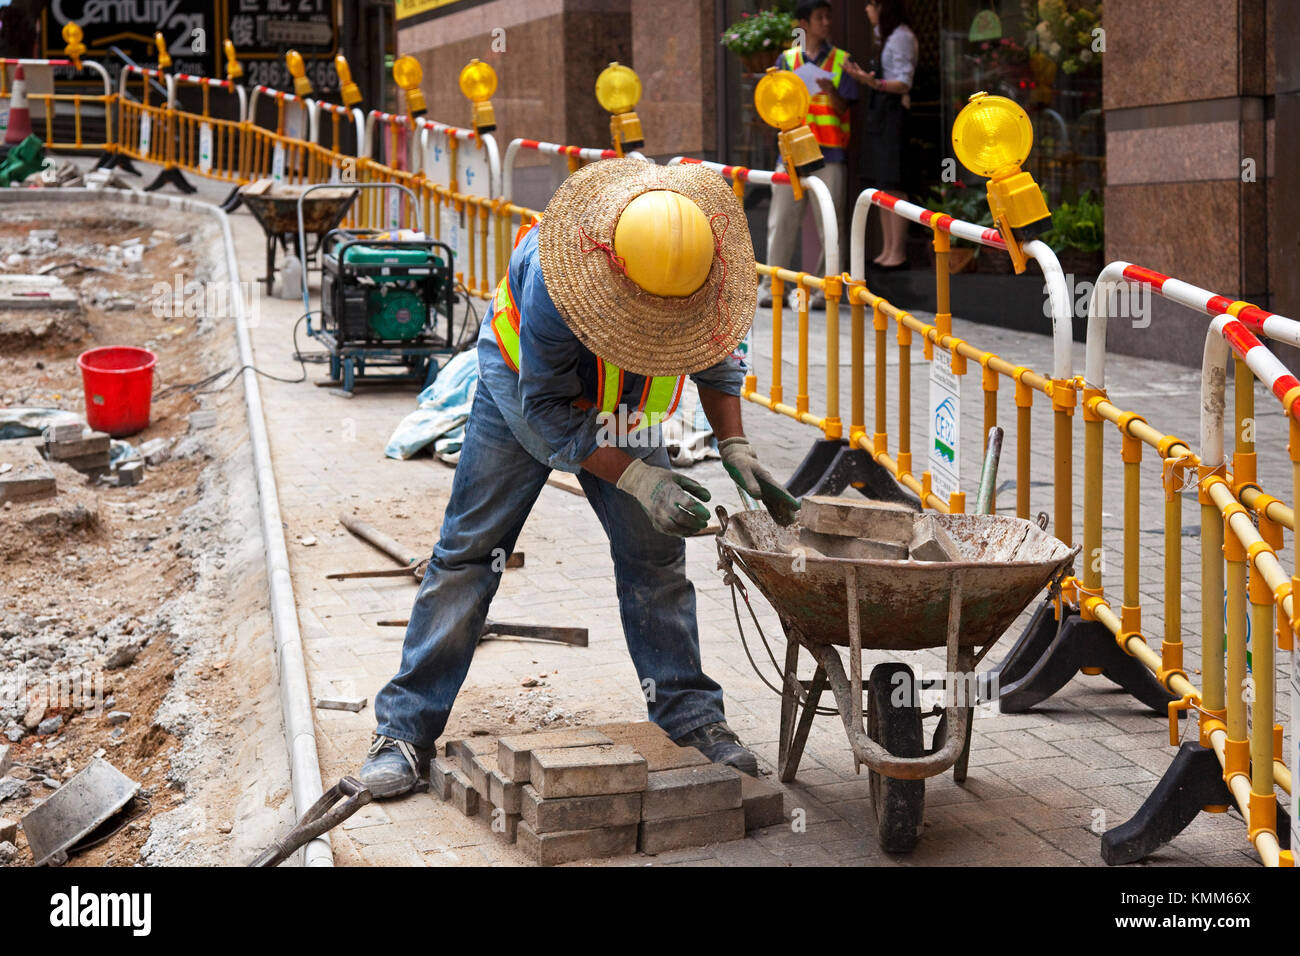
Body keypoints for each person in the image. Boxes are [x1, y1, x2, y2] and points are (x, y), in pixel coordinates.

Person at [359, 159, 801, 799]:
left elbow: (716, 358)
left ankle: (689, 717)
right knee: (467, 557)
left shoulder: (711, 264)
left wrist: (734, 443)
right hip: (523, 401)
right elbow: (547, 414)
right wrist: (644, 484)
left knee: (657, 561)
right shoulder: (553, 273)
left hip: (626, 411)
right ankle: (403, 730)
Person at [760, 0, 859, 309]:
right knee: (781, 222)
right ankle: (771, 286)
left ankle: (824, 291)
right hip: (791, 153)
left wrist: (831, 92)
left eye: (829, 16)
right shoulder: (786, 60)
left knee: (831, 223)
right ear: (803, 23)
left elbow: (847, 108)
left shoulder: (842, 60)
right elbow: (774, 106)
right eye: (820, 17)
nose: (827, 22)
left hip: (829, 153)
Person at [846, 0, 918, 269]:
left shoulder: (901, 37)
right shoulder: (884, 35)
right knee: (882, 183)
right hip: (881, 112)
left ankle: (897, 252)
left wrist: (871, 81)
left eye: (872, 4)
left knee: (894, 182)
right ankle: (886, 250)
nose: (866, 8)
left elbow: (903, 82)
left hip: (893, 115)